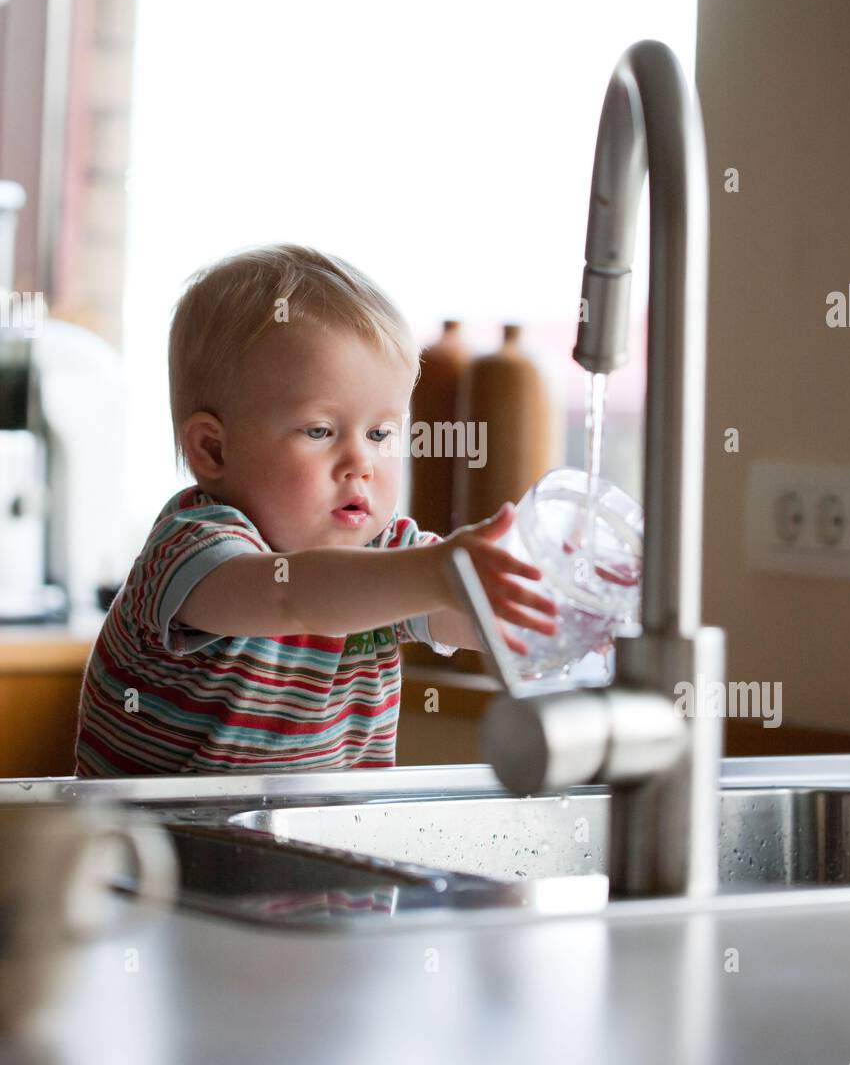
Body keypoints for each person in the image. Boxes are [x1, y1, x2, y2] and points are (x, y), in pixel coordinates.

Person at [75, 244, 557, 776]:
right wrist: (440, 571)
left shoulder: (385, 554)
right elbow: (290, 597)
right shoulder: (192, 548)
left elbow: (462, 617)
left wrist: (536, 605)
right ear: (213, 449)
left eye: (380, 433)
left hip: (300, 842)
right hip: (153, 853)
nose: (361, 463)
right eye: (321, 431)